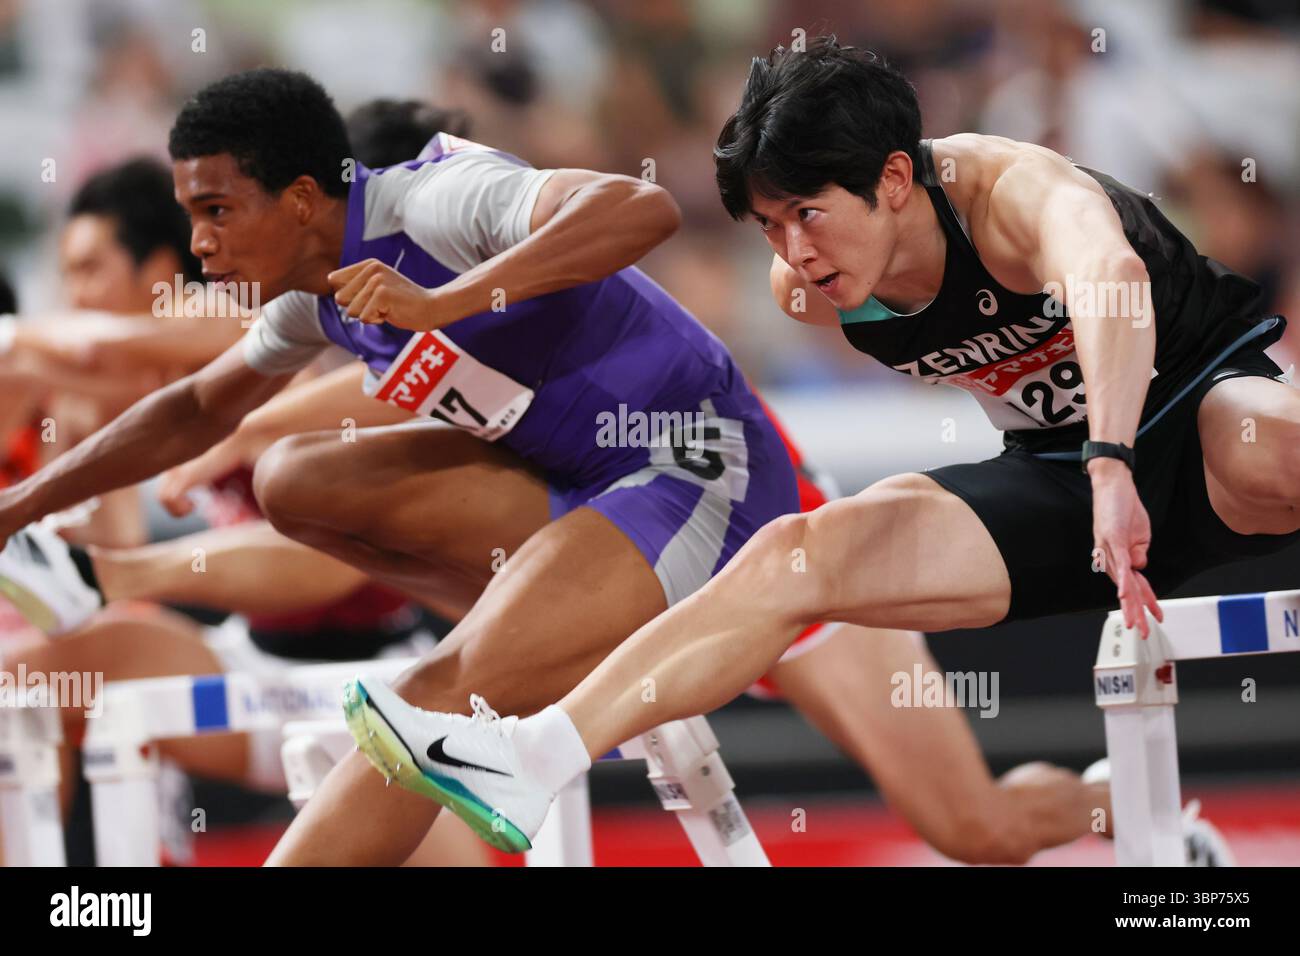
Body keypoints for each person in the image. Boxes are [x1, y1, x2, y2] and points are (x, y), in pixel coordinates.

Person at [344, 37, 1298, 857]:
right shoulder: (808, 287)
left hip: (1190, 414)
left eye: (808, 214)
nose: (793, 253)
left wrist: (1112, 458)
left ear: (894, 178)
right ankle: (532, 759)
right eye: (768, 224)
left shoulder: (1010, 194)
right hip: (1054, 475)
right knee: (792, 552)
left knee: (1258, 449)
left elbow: (1114, 281)